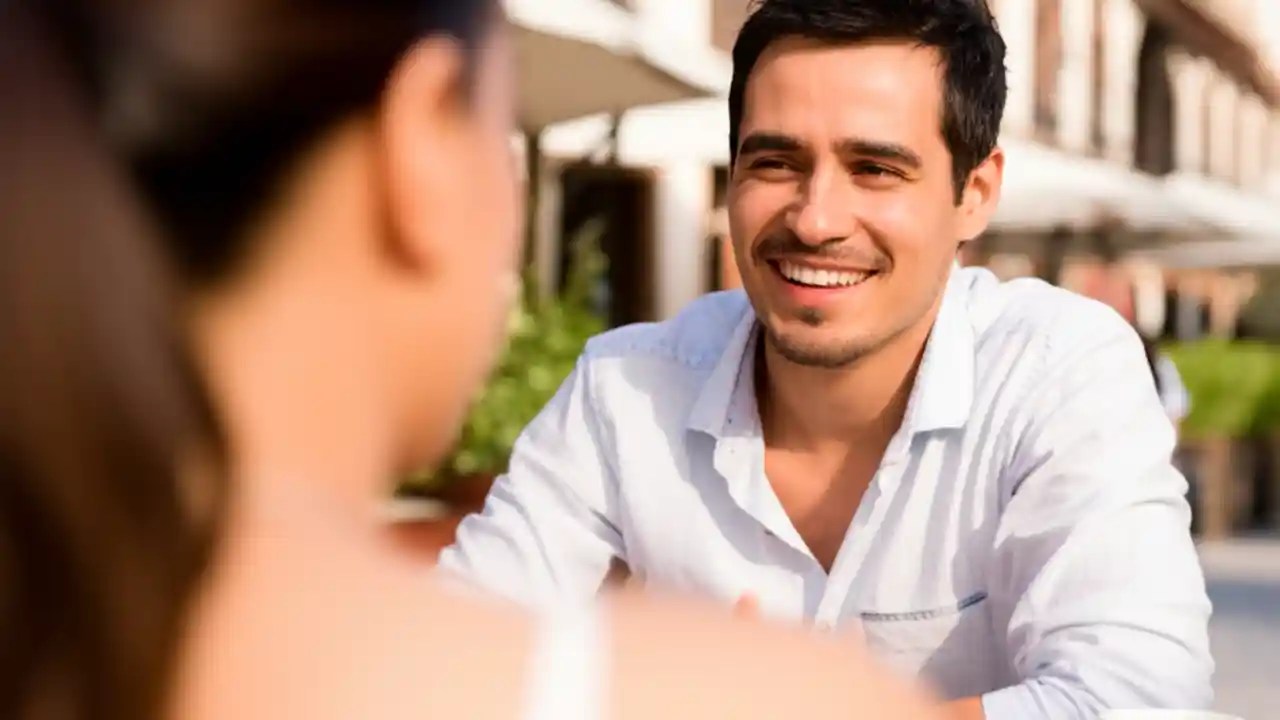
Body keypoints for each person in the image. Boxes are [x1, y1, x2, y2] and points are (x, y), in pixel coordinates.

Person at [0, 0, 948, 719]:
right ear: (420, 140)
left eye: (875, 167)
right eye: (504, 119)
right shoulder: (748, 698)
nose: (817, 216)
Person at [440, 1, 1215, 718]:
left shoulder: (1055, 373)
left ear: (974, 193)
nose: (815, 219)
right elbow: (445, 666)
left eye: (875, 169)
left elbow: (1144, 699)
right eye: (775, 162)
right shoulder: (625, 390)